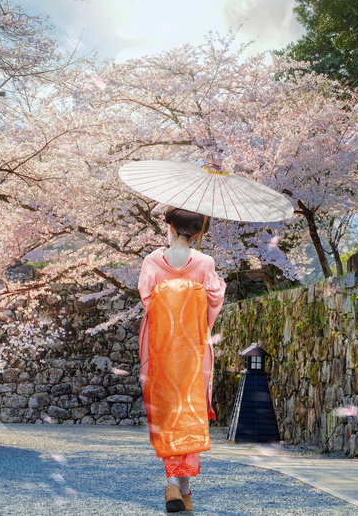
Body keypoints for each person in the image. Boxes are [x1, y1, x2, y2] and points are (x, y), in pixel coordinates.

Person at [138, 206, 226, 513]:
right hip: (193, 350)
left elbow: (148, 300)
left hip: (160, 348)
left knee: (168, 412)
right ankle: (180, 489)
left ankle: (177, 487)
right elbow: (214, 300)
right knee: (190, 411)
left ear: (170, 228)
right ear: (199, 233)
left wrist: (172, 293)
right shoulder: (205, 262)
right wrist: (196, 289)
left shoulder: (152, 261)